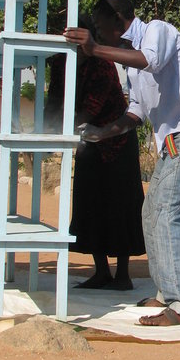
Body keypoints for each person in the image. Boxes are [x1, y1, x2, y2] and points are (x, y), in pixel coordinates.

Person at [64, 0, 180, 326]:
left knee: (166, 211)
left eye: (100, 25)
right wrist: (102, 132)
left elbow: (149, 60)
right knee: (151, 212)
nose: (98, 31)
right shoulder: (127, 62)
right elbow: (135, 112)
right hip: (175, 137)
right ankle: (167, 292)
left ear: (120, 18)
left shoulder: (156, 31)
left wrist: (94, 49)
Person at [44, 20, 145, 291]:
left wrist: (61, 130)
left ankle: (122, 275)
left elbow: (91, 108)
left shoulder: (101, 63)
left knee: (120, 204)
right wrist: (44, 131)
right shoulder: (58, 63)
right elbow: (54, 101)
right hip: (87, 141)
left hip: (115, 140)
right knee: (88, 203)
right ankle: (101, 271)